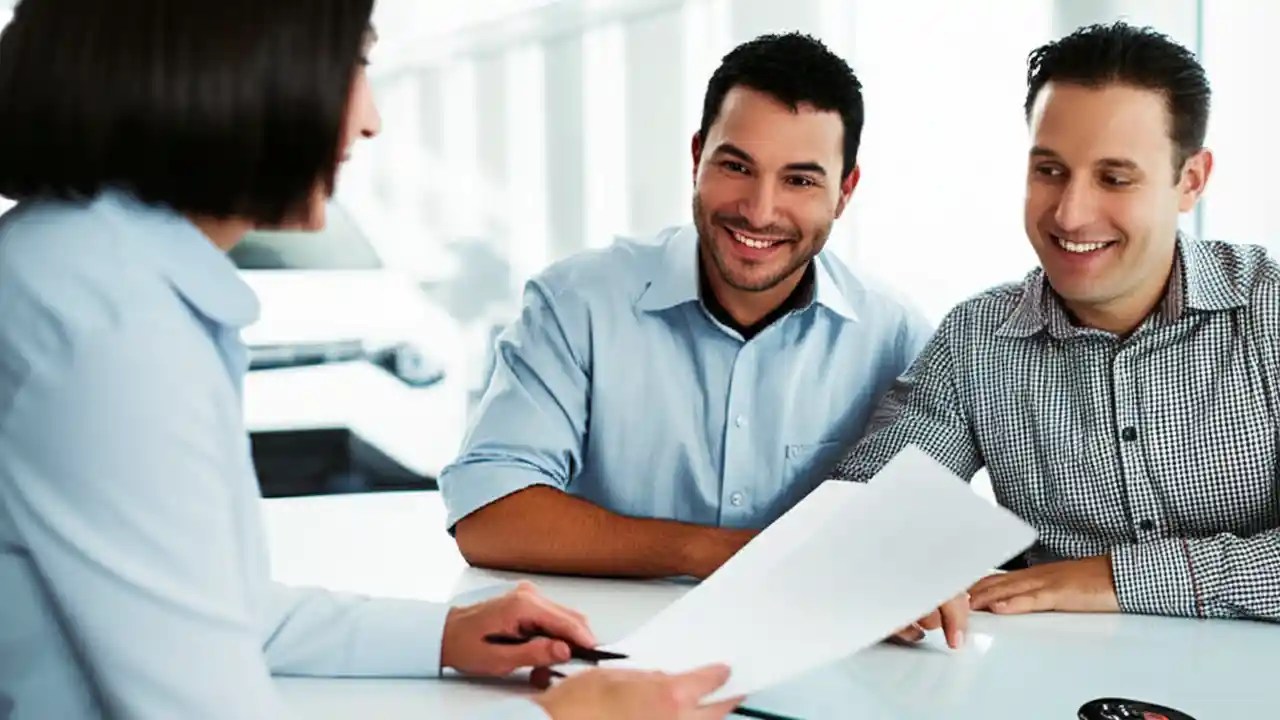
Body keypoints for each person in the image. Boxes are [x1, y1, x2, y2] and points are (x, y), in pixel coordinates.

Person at [0, 1, 741, 718]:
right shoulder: (107, 324)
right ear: (237, 59)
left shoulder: (83, 266)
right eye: (354, 63)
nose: (371, 118)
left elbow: (217, 605)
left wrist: (444, 634)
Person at [829, 22, 1280, 622]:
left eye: (1114, 179)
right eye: (1049, 171)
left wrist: (1119, 579)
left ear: (1190, 181)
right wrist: (895, 564)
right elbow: (866, 511)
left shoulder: (1267, 311)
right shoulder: (976, 341)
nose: (1070, 212)